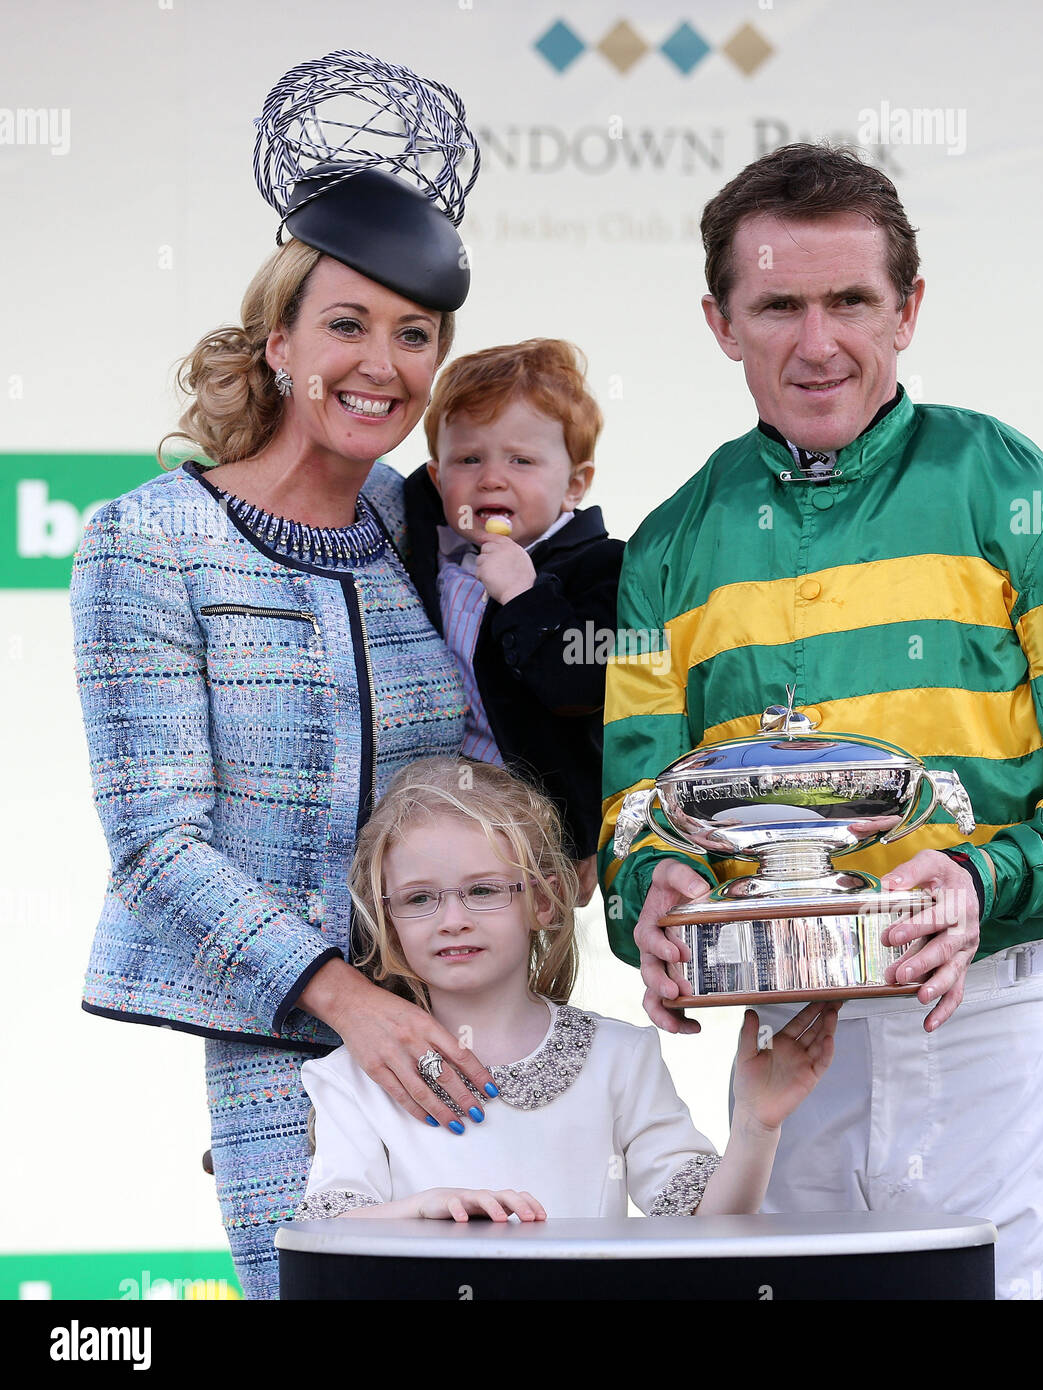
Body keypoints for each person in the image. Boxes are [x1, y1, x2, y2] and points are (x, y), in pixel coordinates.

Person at [598, 143, 1043, 1299]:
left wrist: (981, 883)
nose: (816, 344)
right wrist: (651, 899)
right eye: (777, 305)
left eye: (850, 302)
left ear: (909, 309)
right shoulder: (666, 548)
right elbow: (636, 805)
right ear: (721, 320)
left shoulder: (1028, 498)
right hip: (779, 1038)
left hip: (986, 1027)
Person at [70, 56, 505, 1299]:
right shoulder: (148, 538)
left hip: (470, 1014)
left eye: (413, 335)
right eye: (348, 325)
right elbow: (156, 839)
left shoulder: (423, 523)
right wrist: (346, 1001)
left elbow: (495, 747)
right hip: (278, 1042)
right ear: (279, 344)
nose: (382, 362)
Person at [296, 758, 840, 1222]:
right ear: (387, 919)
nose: (452, 920)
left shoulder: (621, 1059)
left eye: (483, 890)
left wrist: (755, 1122)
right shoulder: (351, 1080)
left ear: (546, 901)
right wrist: (423, 1209)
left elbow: (704, 1226)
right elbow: (327, 1232)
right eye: (419, 899)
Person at [401, 339, 624, 904]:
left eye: (521, 460)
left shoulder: (600, 567)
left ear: (574, 484)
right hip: (437, 813)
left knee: (512, 954)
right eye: (469, 459)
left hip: (542, 829)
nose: (492, 479)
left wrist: (524, 598)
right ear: (436, 476)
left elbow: (579, 685)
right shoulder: (430, 551)